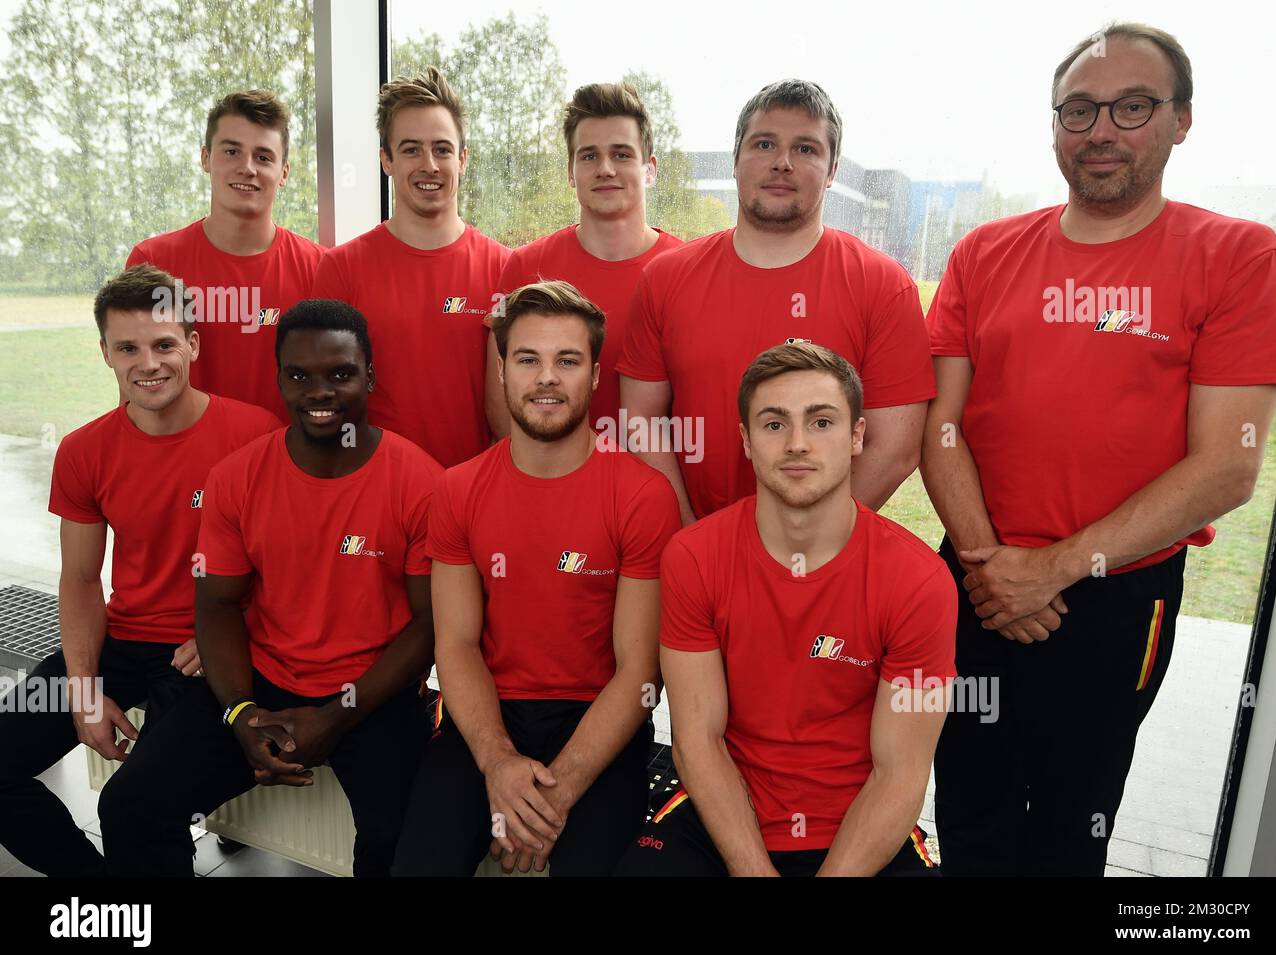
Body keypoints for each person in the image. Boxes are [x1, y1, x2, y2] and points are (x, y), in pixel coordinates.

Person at [921, 22, 1276, 876]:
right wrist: (989, 566)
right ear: (1053, 125)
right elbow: (939, 425)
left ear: (1181, 120)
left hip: (1116, 600)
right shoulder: (983, 253)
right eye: (1078, 110)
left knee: (1070, 827)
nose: (1100, 132)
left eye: (1132, 107)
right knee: (968, 806)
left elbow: (1229, 466)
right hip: (975, 578)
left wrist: (1049, 570)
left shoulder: (1237, 256)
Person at [97, 300, 442, 876]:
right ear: (279, 378)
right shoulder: (237, 477)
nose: (319, 391)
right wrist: (239, 713)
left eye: (340, 374)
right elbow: (218, 607)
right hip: (261, 681)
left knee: (400, 843)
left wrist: (336, 717)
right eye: (299, 375)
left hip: (374, 696)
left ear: (369, 377)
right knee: (131, 803)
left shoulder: (421, 481)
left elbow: (430, 625)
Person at [617, 342, 955, 876]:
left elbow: (900, 776)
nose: (798, 444)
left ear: (857, 437)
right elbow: (697, 743)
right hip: (725, 814)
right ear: (747, 442)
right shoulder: (694, 557)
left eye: (821, 422)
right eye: (774, 425)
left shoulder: (920, 581)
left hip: (858, 827)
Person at [392, 281, 680, 876]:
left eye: (567, 361)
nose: (547, 378)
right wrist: (498, 765)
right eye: (528, 359)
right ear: (502, 369)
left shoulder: (644, 497)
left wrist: (554, 796)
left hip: (600, 718)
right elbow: (457, 645)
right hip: (488, 712)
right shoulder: (457, 490)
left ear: (596, 375)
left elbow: (638, 670)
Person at [0, 264, 279, 875]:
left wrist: (229, 631)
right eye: (128, 347)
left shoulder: (256, 436)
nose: (147, 363)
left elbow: (290, 566)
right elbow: (78, 579)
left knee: (133, 806)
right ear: (105, 353)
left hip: (213, 650)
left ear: (194, 345)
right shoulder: (83, 450)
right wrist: (81, 688)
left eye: (164, 344)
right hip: (125, 640)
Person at [618, 78, 933, 525]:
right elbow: (642, 420)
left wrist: (803, 541)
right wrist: (692, 539)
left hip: (823, 562)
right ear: (736, 160)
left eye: (806, 149)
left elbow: (895, 448)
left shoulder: (882, 285)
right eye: (764, 144)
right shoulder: (666, 279)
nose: (782, 163)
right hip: (692, 552)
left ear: (833, 169)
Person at [312, 66, 510, 467]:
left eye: (442, 149)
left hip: (470, 499)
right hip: (374, 497)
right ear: (386, 159)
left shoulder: (505, 269)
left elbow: (512, 411)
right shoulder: (340, 271)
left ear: (463, 159)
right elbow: (324, 402)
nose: (429, 165)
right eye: (410, 149)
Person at [485, 82, 682, 438]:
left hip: (658, 485)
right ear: (570, 172)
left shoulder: (685, 269)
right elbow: (502, 402)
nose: (605, 168)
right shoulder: (525, 268)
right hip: (551, 486)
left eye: (621, 154)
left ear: (649, 168)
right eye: (589, 155)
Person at [127, 89, 323, 421]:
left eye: (263, 157)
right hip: (186, 466)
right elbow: (135, 391)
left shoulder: (318, 268)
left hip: (279, 464)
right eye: (232, 151)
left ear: (285, 172)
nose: (247, 168)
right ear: (206, 158)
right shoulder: (152, 262)